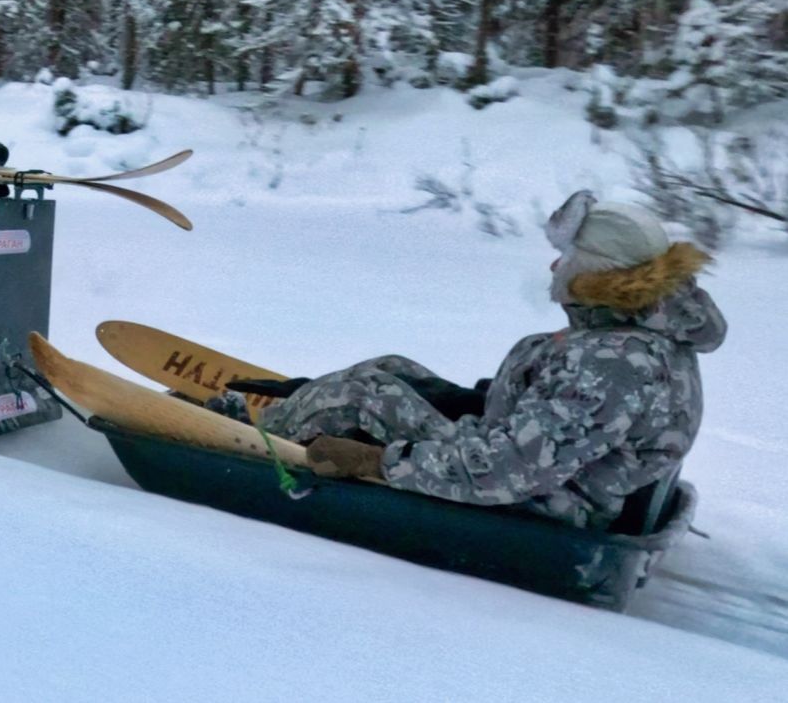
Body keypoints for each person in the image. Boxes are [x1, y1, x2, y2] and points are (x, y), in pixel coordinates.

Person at [247, 191, 724, 530]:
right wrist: (466, 401)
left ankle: (244, 442)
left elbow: (509, 470)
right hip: (545, 475)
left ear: (599, 273)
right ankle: (295, 415)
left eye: (569, 258)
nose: (555, 267)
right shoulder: (640, 330)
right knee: (395, 370)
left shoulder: (611, 364)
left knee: (364, 394)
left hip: (540, 506)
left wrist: (381, 462)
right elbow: (561, 423)